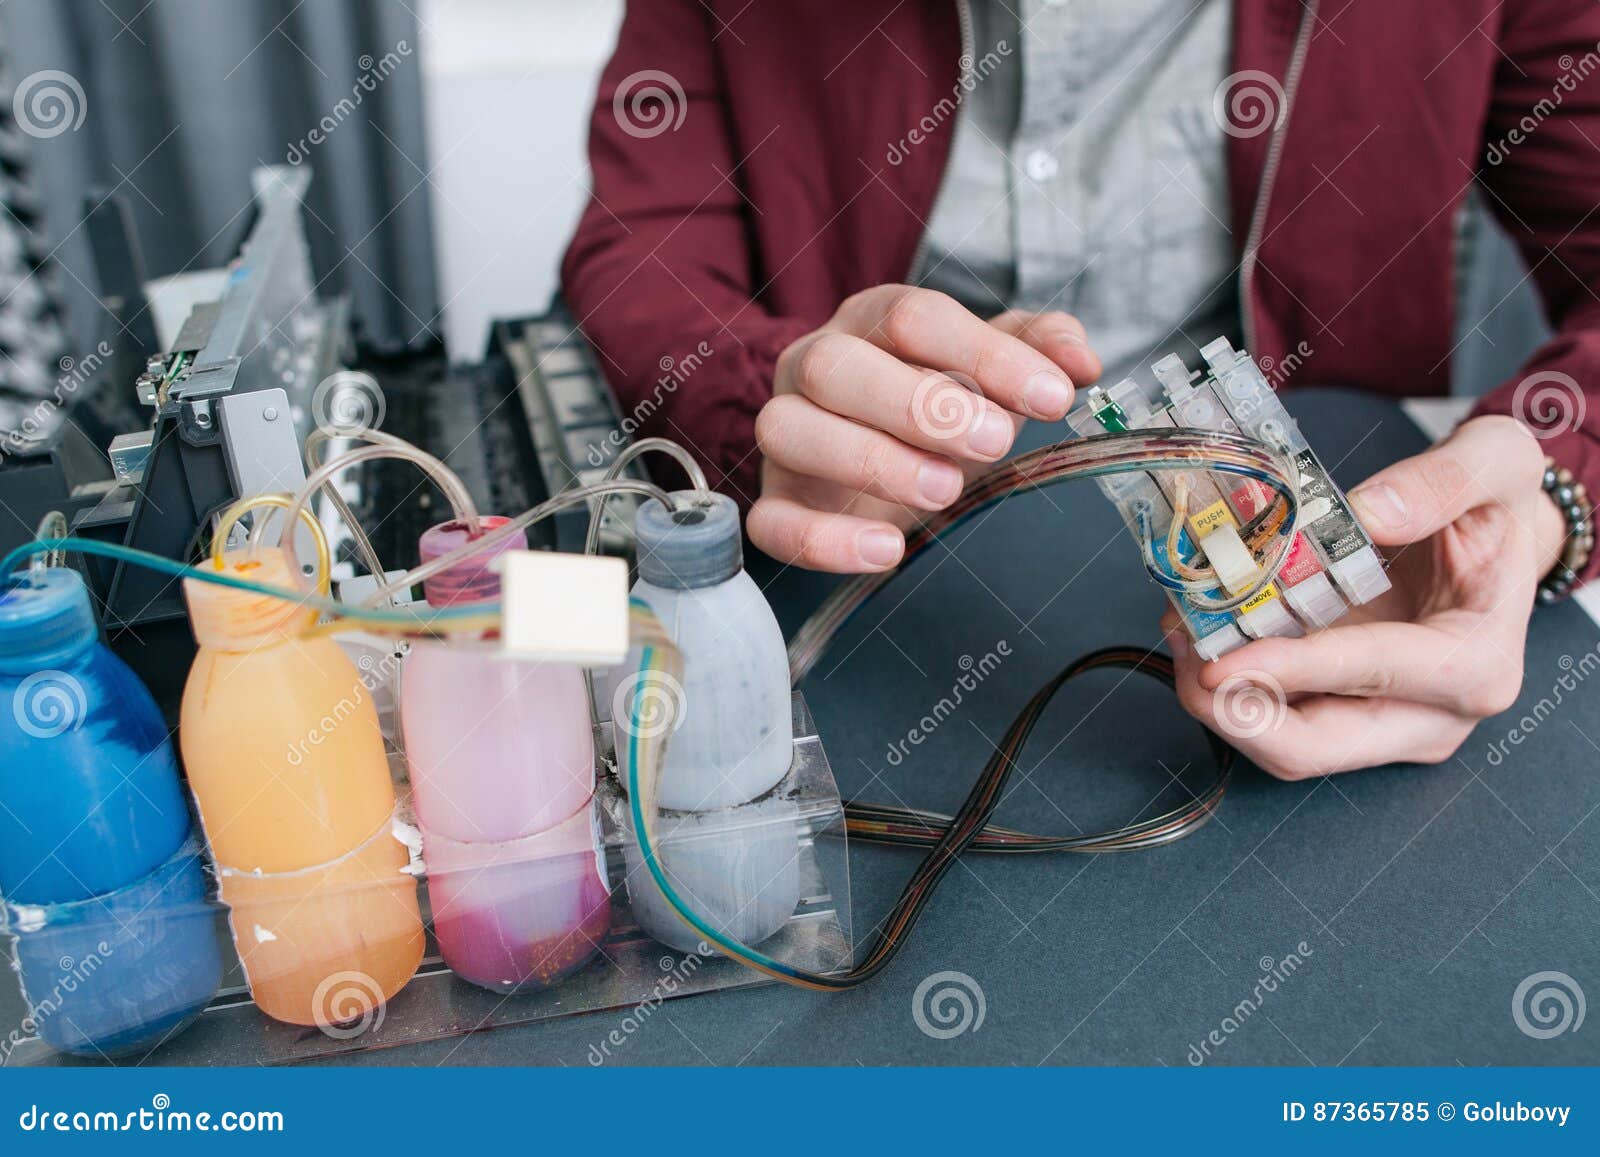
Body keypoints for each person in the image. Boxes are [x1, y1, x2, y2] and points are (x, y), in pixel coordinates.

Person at [561, 0, 1600, 778]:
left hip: (1324, 574)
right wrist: (771, 400)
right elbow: (639, 245)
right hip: (874, 591)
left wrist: (1552, 481)